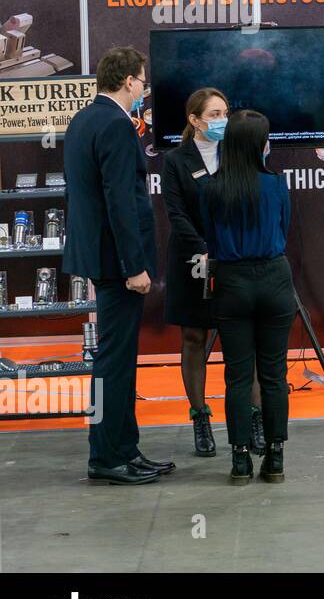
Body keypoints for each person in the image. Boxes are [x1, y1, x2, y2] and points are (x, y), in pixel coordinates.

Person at [64, 47, 173, 485]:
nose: (145, 86)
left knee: (119, 360)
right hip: (116, 262)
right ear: (129, 80)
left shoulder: (84, 119)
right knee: (113, 362)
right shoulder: (114, 124)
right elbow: (120, 202)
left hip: (102, 257)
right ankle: (108, 458)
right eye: (142, 79)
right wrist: (135, 265)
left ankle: (124, 450)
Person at [162, 87, 265, 458]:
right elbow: (177, 215)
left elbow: (252, 202)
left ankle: (254, 419)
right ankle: (200, 418)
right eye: (215, 114)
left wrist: (229, 250)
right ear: (194, 120)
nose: (223, 120)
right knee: (193, 338)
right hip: (192, 261)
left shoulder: (238, 153)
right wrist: (205, 250)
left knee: (243, 343)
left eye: (225, 112)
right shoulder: (175, 160)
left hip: (236, 259)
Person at [199, 110, 295, 485]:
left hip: (231, 282)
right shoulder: (276, 185)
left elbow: (209, 236)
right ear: (259, 145)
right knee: (273, 375)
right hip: (274, 278)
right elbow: (283, 230)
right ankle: (275, 457)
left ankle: (240, 460)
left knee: (237, 377)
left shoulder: (211, 187)